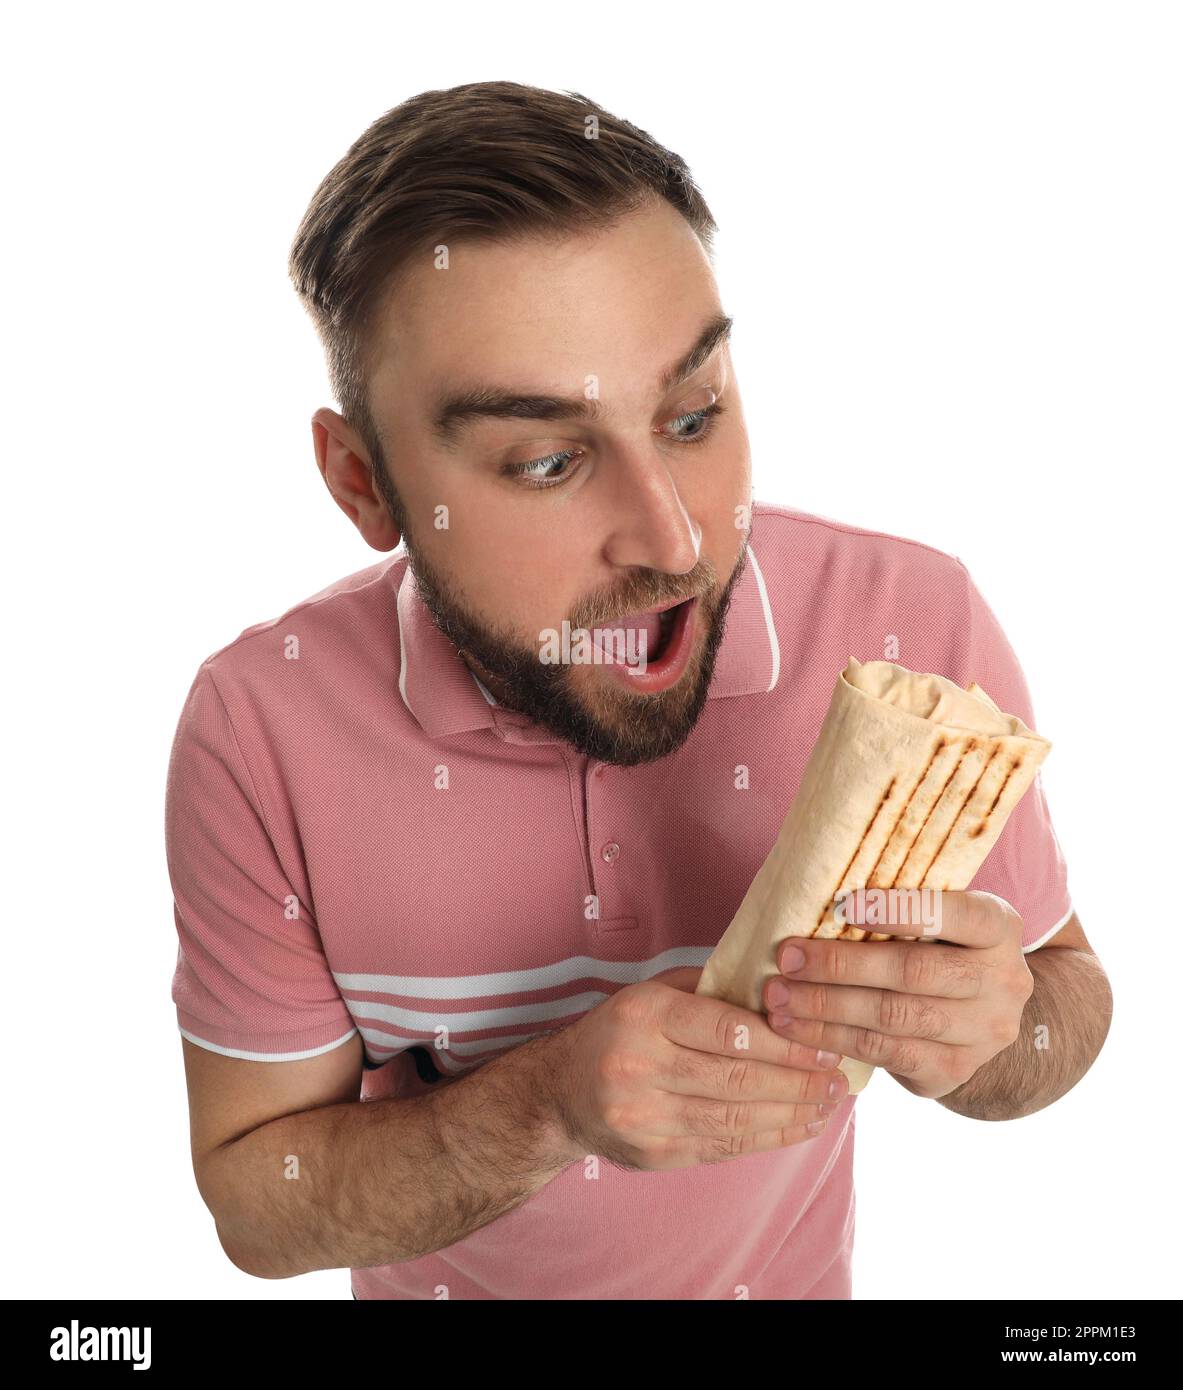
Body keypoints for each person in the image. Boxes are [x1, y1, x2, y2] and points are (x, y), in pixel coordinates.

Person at [166, 81, 1109, 1300]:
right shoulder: (261, 729)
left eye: (693, 414)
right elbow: (258, 1204)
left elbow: (1061, 1001)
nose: (673, 541)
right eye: (548, 460)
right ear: (365, 483)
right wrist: (547, 1105)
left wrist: (988, 1035)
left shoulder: (906, 630)